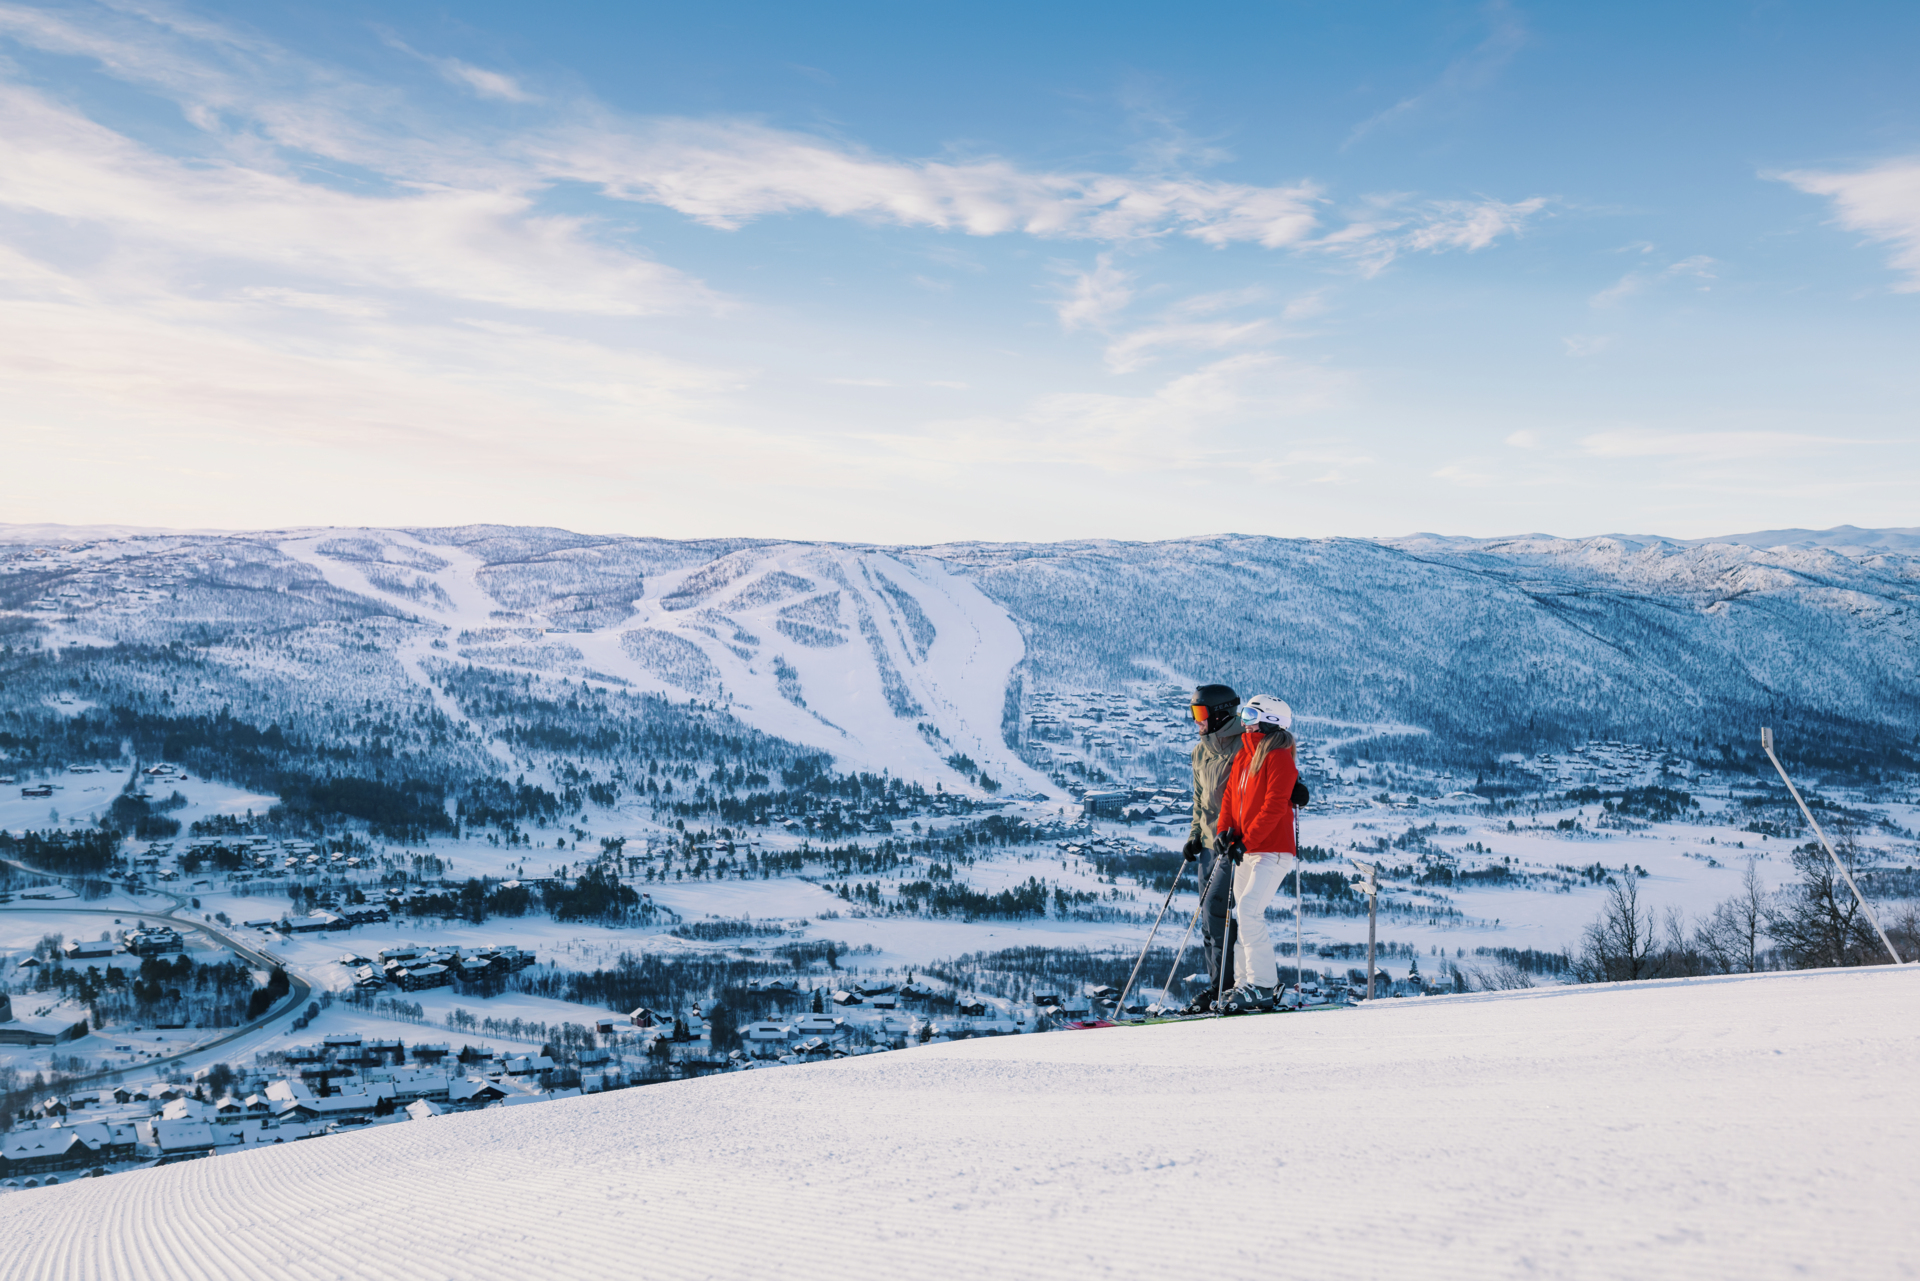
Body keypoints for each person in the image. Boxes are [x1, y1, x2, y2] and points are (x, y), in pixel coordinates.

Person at [1213, 694, 1307, 1014]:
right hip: (1247, 849)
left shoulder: (1278, 756)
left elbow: (1274, 806)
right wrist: (1224, 833)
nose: (1244, 718)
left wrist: (1247, 839)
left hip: (1272, 850)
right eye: (1244, 712)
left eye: (1251, 713)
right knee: (1244, 915)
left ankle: (1264, 985)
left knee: (1250, 911)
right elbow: (1230, 798)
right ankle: (1244, 985)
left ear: (1270, 721)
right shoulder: (1244, 755)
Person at [1182, 683, 1243, 1013]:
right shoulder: (1200, 751)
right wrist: (1194, 835)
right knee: (1208, 922)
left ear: (1220, 714)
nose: (1196, 721)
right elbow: (1200, 800)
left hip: (1233, 843)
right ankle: (1218, 983)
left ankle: (1228, 986)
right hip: (1208, 844)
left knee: (1218, 913)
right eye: (1194, 713)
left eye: (1201, 713)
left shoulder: (1245, 745)